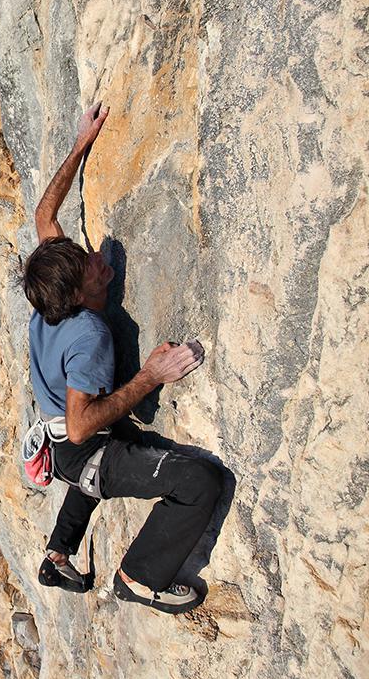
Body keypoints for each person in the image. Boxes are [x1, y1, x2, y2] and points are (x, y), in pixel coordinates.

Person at [21, 100, 222, 614]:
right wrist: (151, 376)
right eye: (94, 272)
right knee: (200, 481)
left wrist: (81, 144)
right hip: (85, 449)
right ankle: (140, 576)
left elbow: (44, 214)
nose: (98, 262)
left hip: (62, 443)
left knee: (87, 459)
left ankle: (58, 552)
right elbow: (84, 426)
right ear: (78, 297)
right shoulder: (90, 335)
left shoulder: (53, 283)